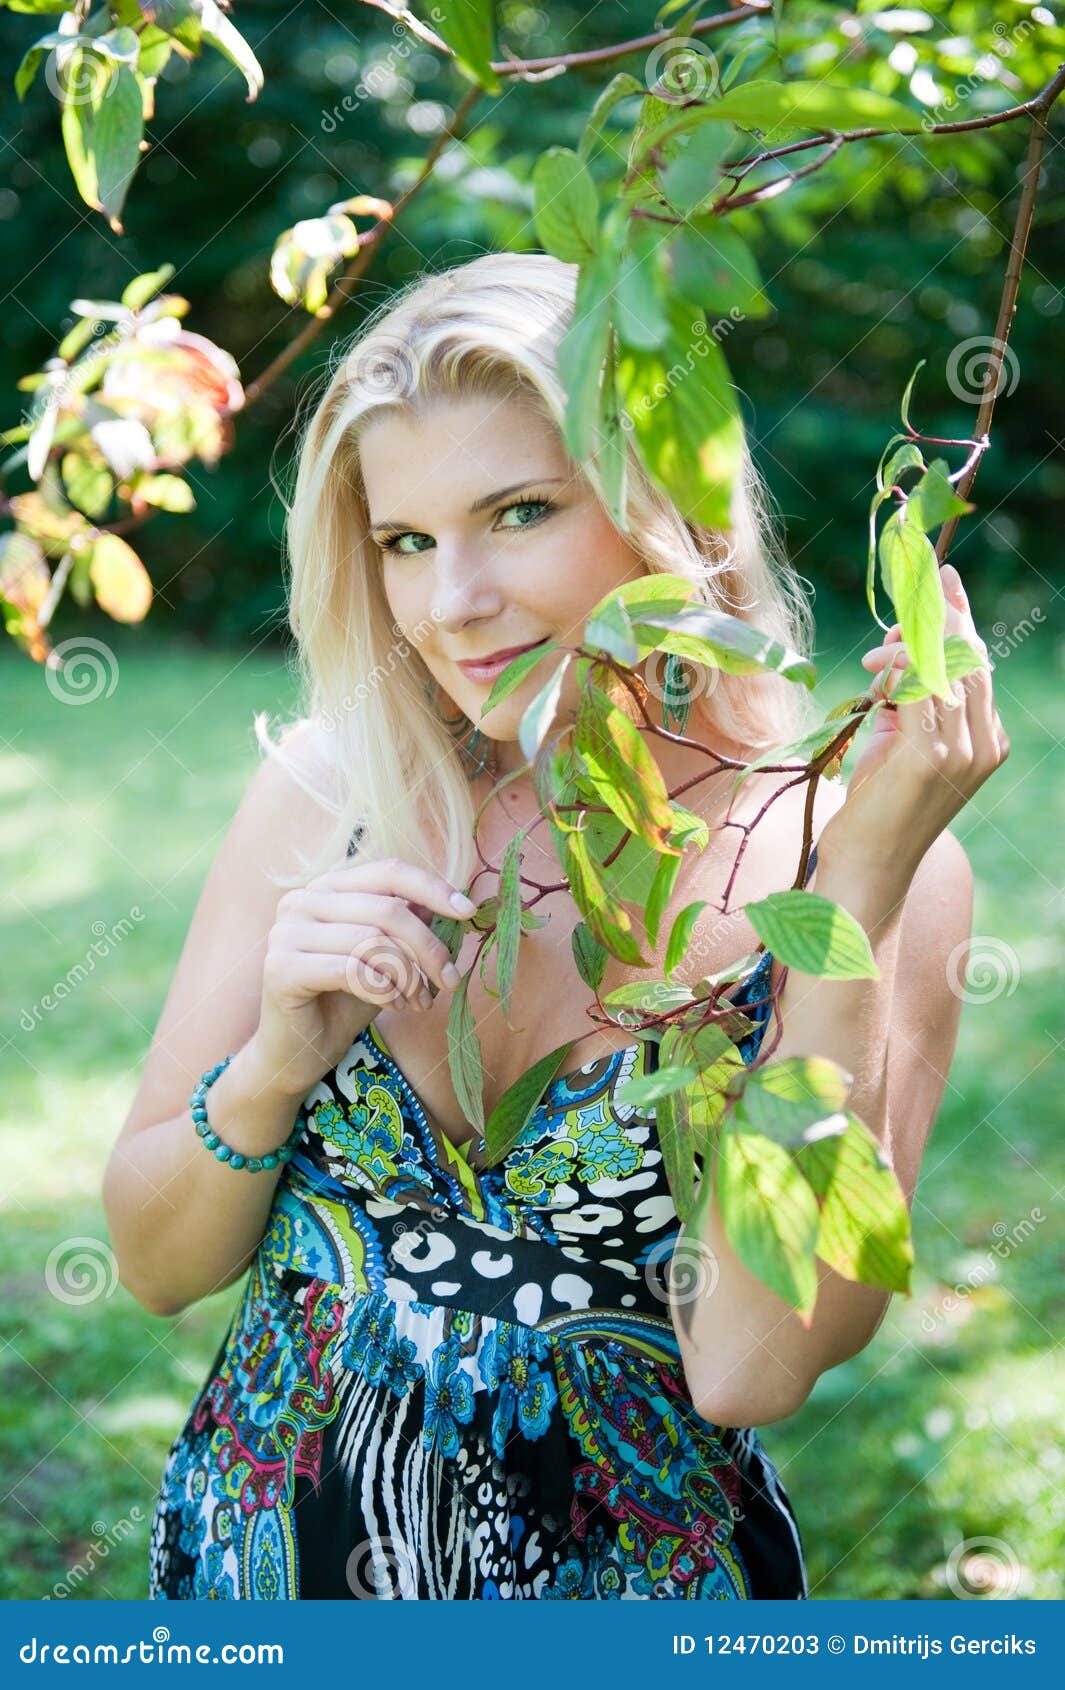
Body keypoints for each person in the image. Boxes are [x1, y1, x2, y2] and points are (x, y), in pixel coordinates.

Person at [103, 252, 1008, 1600]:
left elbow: (752, 1367)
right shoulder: (330, 797)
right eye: (403, 542)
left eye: (517, 512)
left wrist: (854, 897)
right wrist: (277, 1064)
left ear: (674, 508)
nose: (450, 603)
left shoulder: (866, 871)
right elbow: (155, 1264)